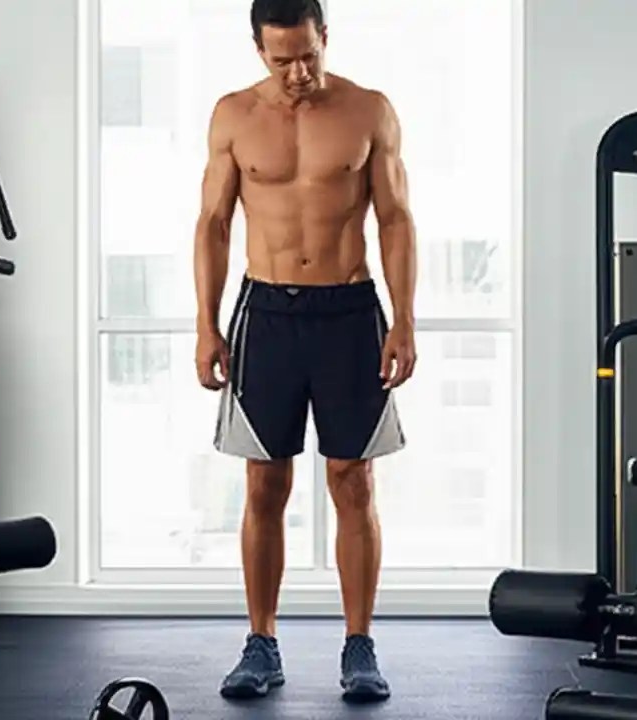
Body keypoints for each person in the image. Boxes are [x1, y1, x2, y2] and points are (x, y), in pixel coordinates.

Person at [192, 0, 417, 704]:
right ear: (258, 49)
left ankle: (360, 647)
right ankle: (261, 643)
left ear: (327, 38)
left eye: (308, 55)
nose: (297, 71)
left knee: (353, 481)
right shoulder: (232, 115)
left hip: (349, 311)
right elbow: (213, 223)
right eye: (280, 57)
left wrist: (403, 320)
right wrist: (206, 323)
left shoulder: (369, 109)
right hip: (268, 311)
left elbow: (396, 218)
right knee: (264, 483)